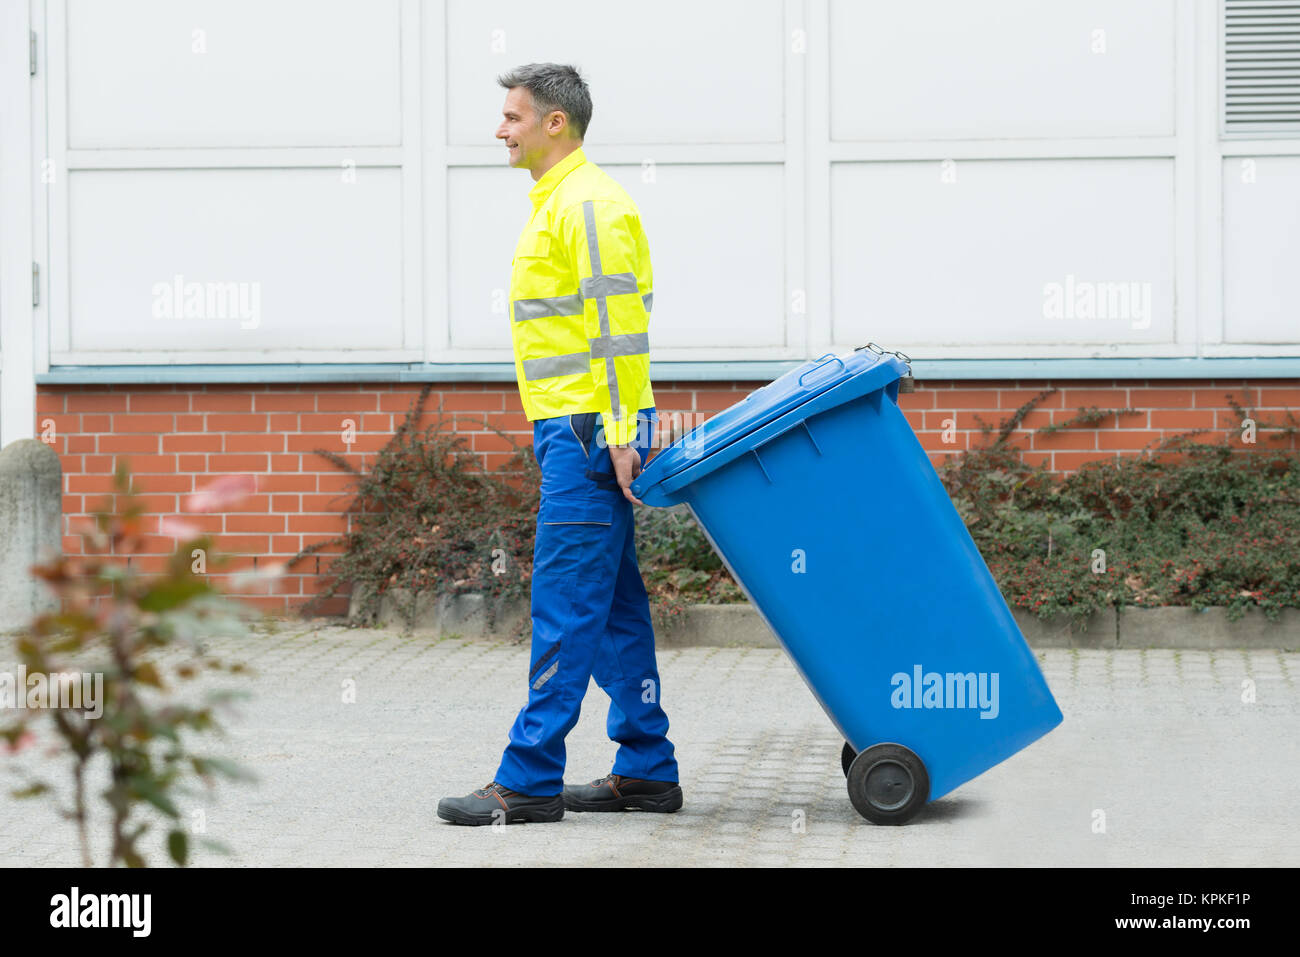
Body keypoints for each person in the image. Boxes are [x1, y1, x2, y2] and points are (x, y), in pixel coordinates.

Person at [437, 63, 680, 825]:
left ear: (554, 124)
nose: (499, 129)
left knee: (565, 609)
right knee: (612, 612)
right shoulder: (559, 203)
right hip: (576, 432)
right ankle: (647, 769)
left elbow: (617, 333)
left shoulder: (589, 205)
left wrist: (614, 433)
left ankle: (530, 777)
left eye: (512, 116)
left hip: (587, 436)